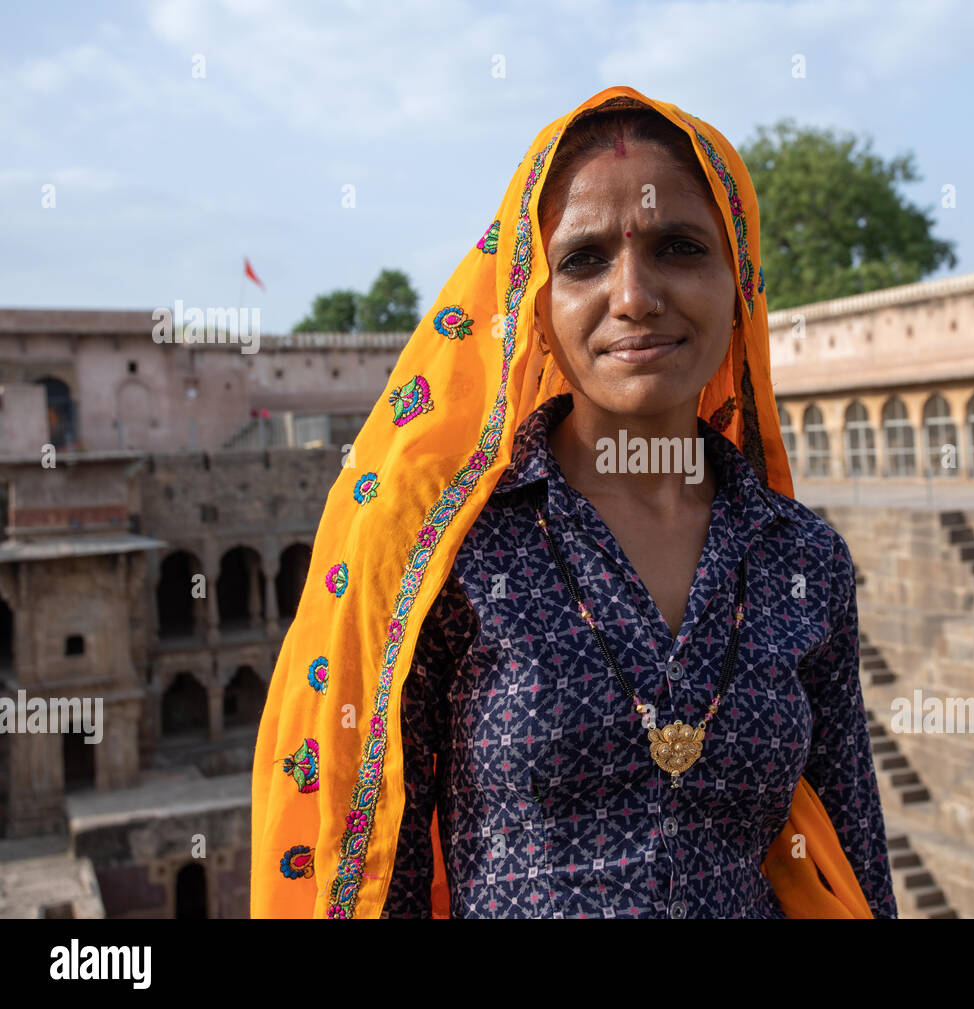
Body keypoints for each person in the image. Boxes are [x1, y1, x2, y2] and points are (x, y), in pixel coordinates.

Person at [250, 85, 896, 920]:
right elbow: (380, 877)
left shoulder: (800, 559)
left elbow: (851, 856)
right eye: (586, 259)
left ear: (740, 283)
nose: (634, 296)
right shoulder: (442, 552)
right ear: (533, 306)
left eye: (680, 248)